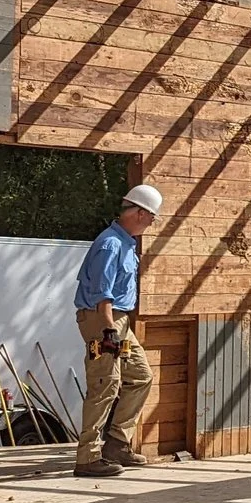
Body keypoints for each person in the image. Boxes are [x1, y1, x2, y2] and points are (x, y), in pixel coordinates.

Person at [71, 185, 161, 477]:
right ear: (139, 213)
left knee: (140, 376)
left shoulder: (124, 243)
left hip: (117, 322)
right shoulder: (110, 245)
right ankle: (87, 457)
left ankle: (117, 444)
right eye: (151, 217)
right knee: (104, 383)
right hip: (103, 320)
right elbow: (102, 294)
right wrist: (109, 331)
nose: (152, 223)